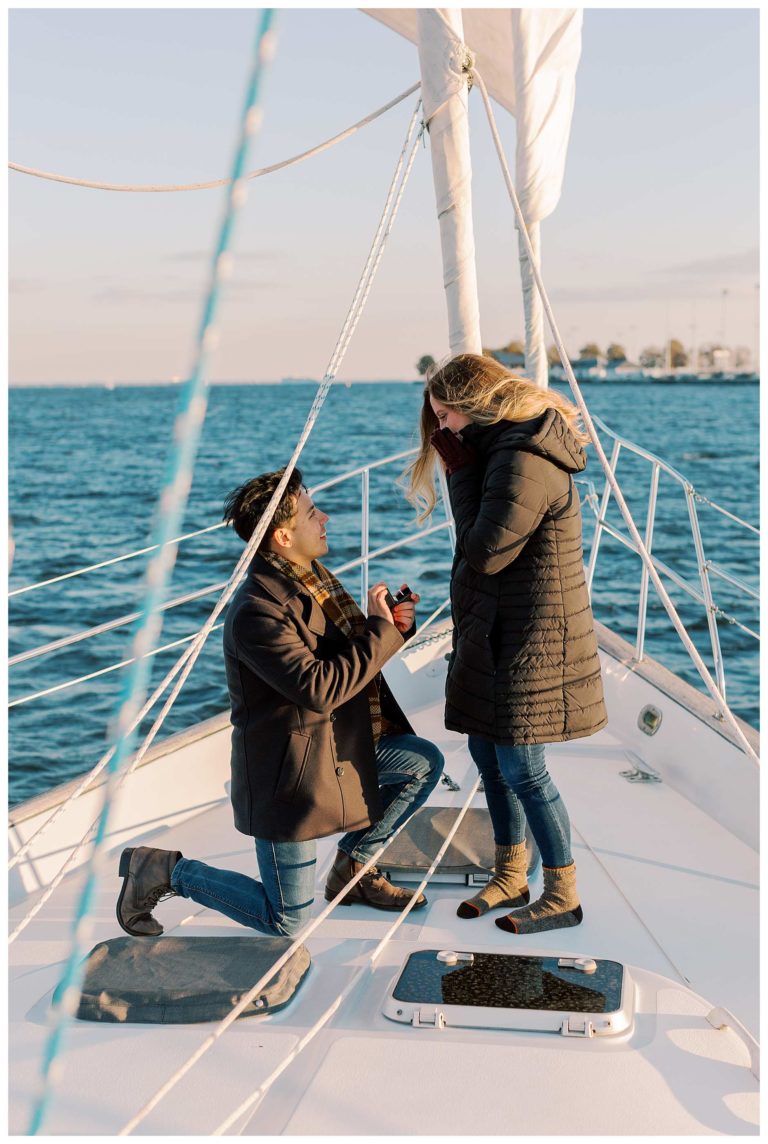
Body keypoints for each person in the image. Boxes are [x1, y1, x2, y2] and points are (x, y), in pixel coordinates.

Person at [116, 467, 443, 939]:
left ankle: (352, 868)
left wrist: (392, 627)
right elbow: (321, 688)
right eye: (312, 513)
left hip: (332, 748)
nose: (325, 518)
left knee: (421, 763)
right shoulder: (257, 611)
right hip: (290, 778)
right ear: (283, 536)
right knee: (286, 919)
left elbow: (348, 657)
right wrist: (380, 632)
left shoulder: (312, 582)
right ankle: (165, 871)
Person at [405, 353, 607, 935]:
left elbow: (486, 552)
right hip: (495, 631)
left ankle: (562, 893)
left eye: (445, 416)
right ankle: (510, 875)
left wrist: (459, 473)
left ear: (474, 406)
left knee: (523, 768)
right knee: (488, 757)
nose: (441, 429)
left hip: (530, 639)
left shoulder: (523, 457)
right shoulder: (500, 449)